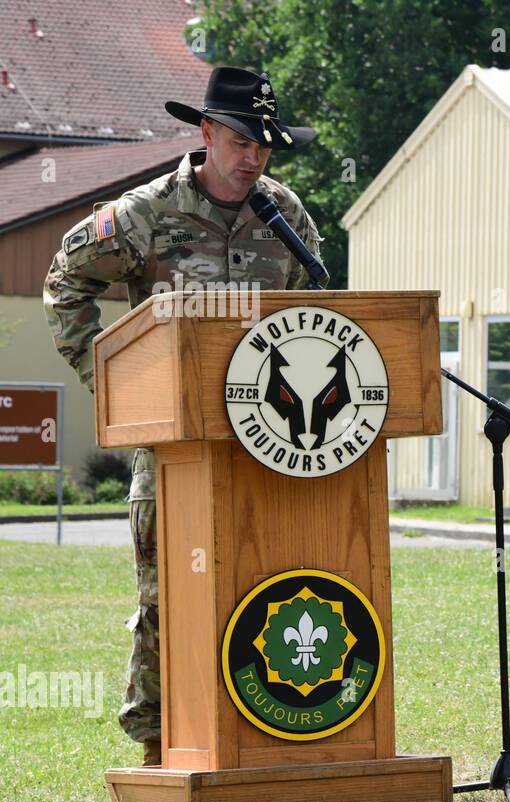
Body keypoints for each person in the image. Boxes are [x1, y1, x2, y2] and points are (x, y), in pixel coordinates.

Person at [43, 66, 327, 766]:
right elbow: (63, 283)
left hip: (270, 445)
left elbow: (320, 315)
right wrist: (113, 386)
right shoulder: (145, 213)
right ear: (205, 133)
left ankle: (268, 733)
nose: (253, 155)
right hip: (170, 451)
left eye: (265, 143)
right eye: (239, 139)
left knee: (266, 586)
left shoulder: (286, 217)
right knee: (168, 599)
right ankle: (156, 749)